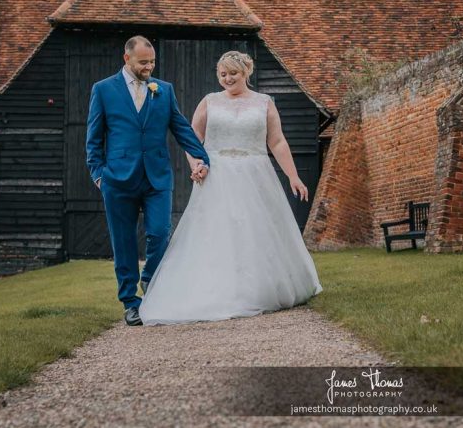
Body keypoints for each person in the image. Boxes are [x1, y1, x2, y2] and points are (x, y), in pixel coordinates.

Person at [138, 50, 323, 325]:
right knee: (217, 231)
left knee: (255, 230)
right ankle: (215, 288)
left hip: (255, 175)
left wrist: (293, 176)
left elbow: (277, 142)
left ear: (246, 72)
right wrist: (197, 164)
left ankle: (259, 287)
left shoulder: (264, 103)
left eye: (233, 73)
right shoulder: (209, 102)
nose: (227, 79)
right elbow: (192, 137)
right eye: (222, 74)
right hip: (217, 175)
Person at [86, 36, 210, 327]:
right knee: (124, 241)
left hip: (157, 177)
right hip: (117, 179)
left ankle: (151, 280)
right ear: (126, 58)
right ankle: (130, 301)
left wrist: (203, 157)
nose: (149, 67)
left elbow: (180, 127)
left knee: (160, 232)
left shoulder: (163, 90)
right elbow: (93, 137)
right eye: (143, 62)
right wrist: (98, 174)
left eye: (152, 62)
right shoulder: (103, 90)